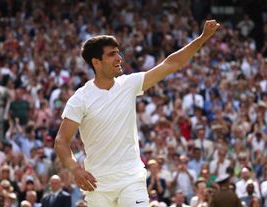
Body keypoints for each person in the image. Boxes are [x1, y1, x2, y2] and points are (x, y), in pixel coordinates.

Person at [54, 20, 220, 207]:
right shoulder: (80, 99)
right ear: (96, 63)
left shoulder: (130, 84)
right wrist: (75, 169)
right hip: (98, 185)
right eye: (111, 54)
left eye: (118, 52)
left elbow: (171, 63)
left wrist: (202, 38)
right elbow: (61, 141)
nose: (119, 58)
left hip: (131, 179)